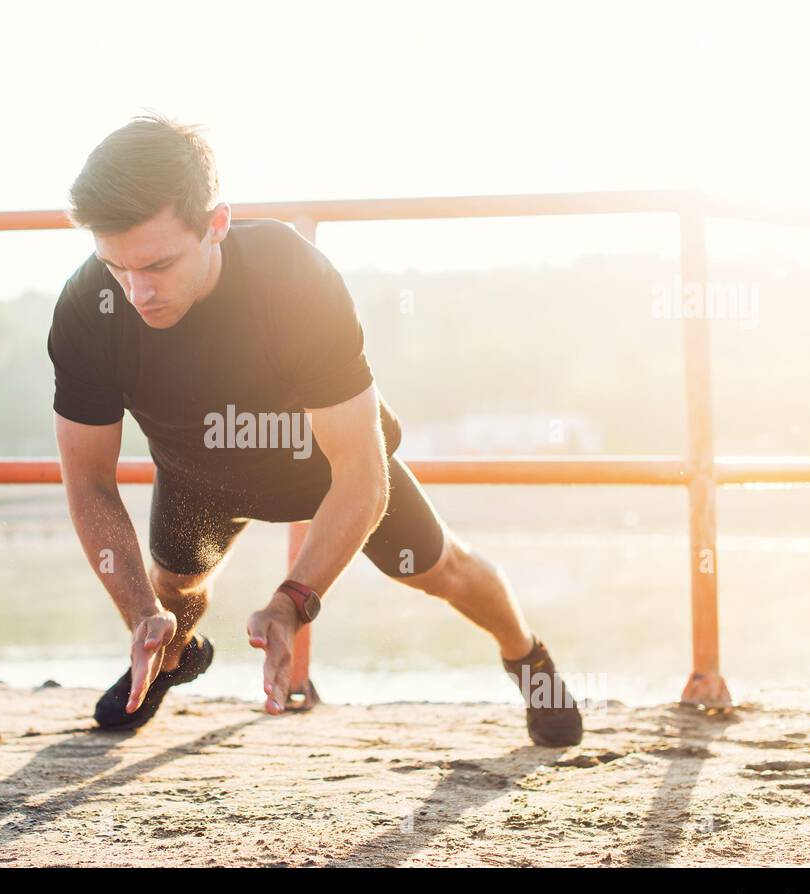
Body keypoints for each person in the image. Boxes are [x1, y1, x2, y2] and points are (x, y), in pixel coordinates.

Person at [47, 112, 583, 747]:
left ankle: (527, 658)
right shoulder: (88, 308)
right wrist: (139, 613)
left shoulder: (292, 278)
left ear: (217, 224)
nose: (137, 292)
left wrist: (291, 603)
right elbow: (89, 484)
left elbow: (361, 476)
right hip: (198, 473)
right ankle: (167, 655)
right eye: (116, 266)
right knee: (175, 587)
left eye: (158, 265)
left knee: (443, 570)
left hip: (329, 469)